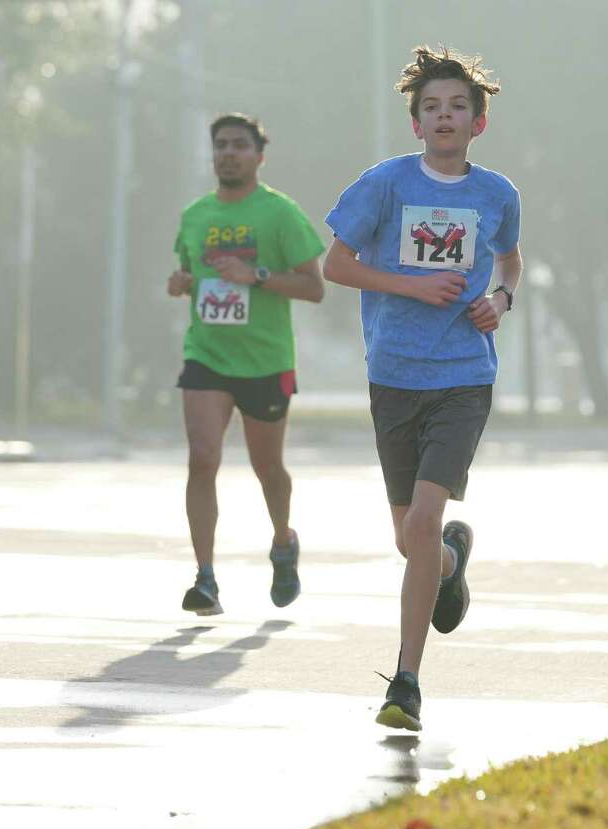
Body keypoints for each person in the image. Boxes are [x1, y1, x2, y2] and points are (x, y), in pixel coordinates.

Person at [322, 46, 522, 730]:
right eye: (431, 107)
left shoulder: (497, 194)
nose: (444, 117)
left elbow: (512, 259)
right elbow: (336, 265)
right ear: (416, 124)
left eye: (457, 107)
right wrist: (409, 284)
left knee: (422, 519)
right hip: (393, 376)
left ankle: (405, 680)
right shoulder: (384, 184)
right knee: (412, 540)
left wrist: (502, 297)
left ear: (478, 122)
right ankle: (449, 560)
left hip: (465, 376)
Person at [167, 112, 326, 615]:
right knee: (202, 456)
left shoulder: (280, 214)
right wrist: (182, 283)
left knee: (267, 468)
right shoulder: (195, 215)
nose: (228, 153)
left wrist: (253, 274)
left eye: (239, 145)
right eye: (220, 145)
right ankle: (206, 579)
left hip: (265, 359)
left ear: (259, 155)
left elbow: (314, 286)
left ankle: (283, 541)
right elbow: (189, 271)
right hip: (207, 353)